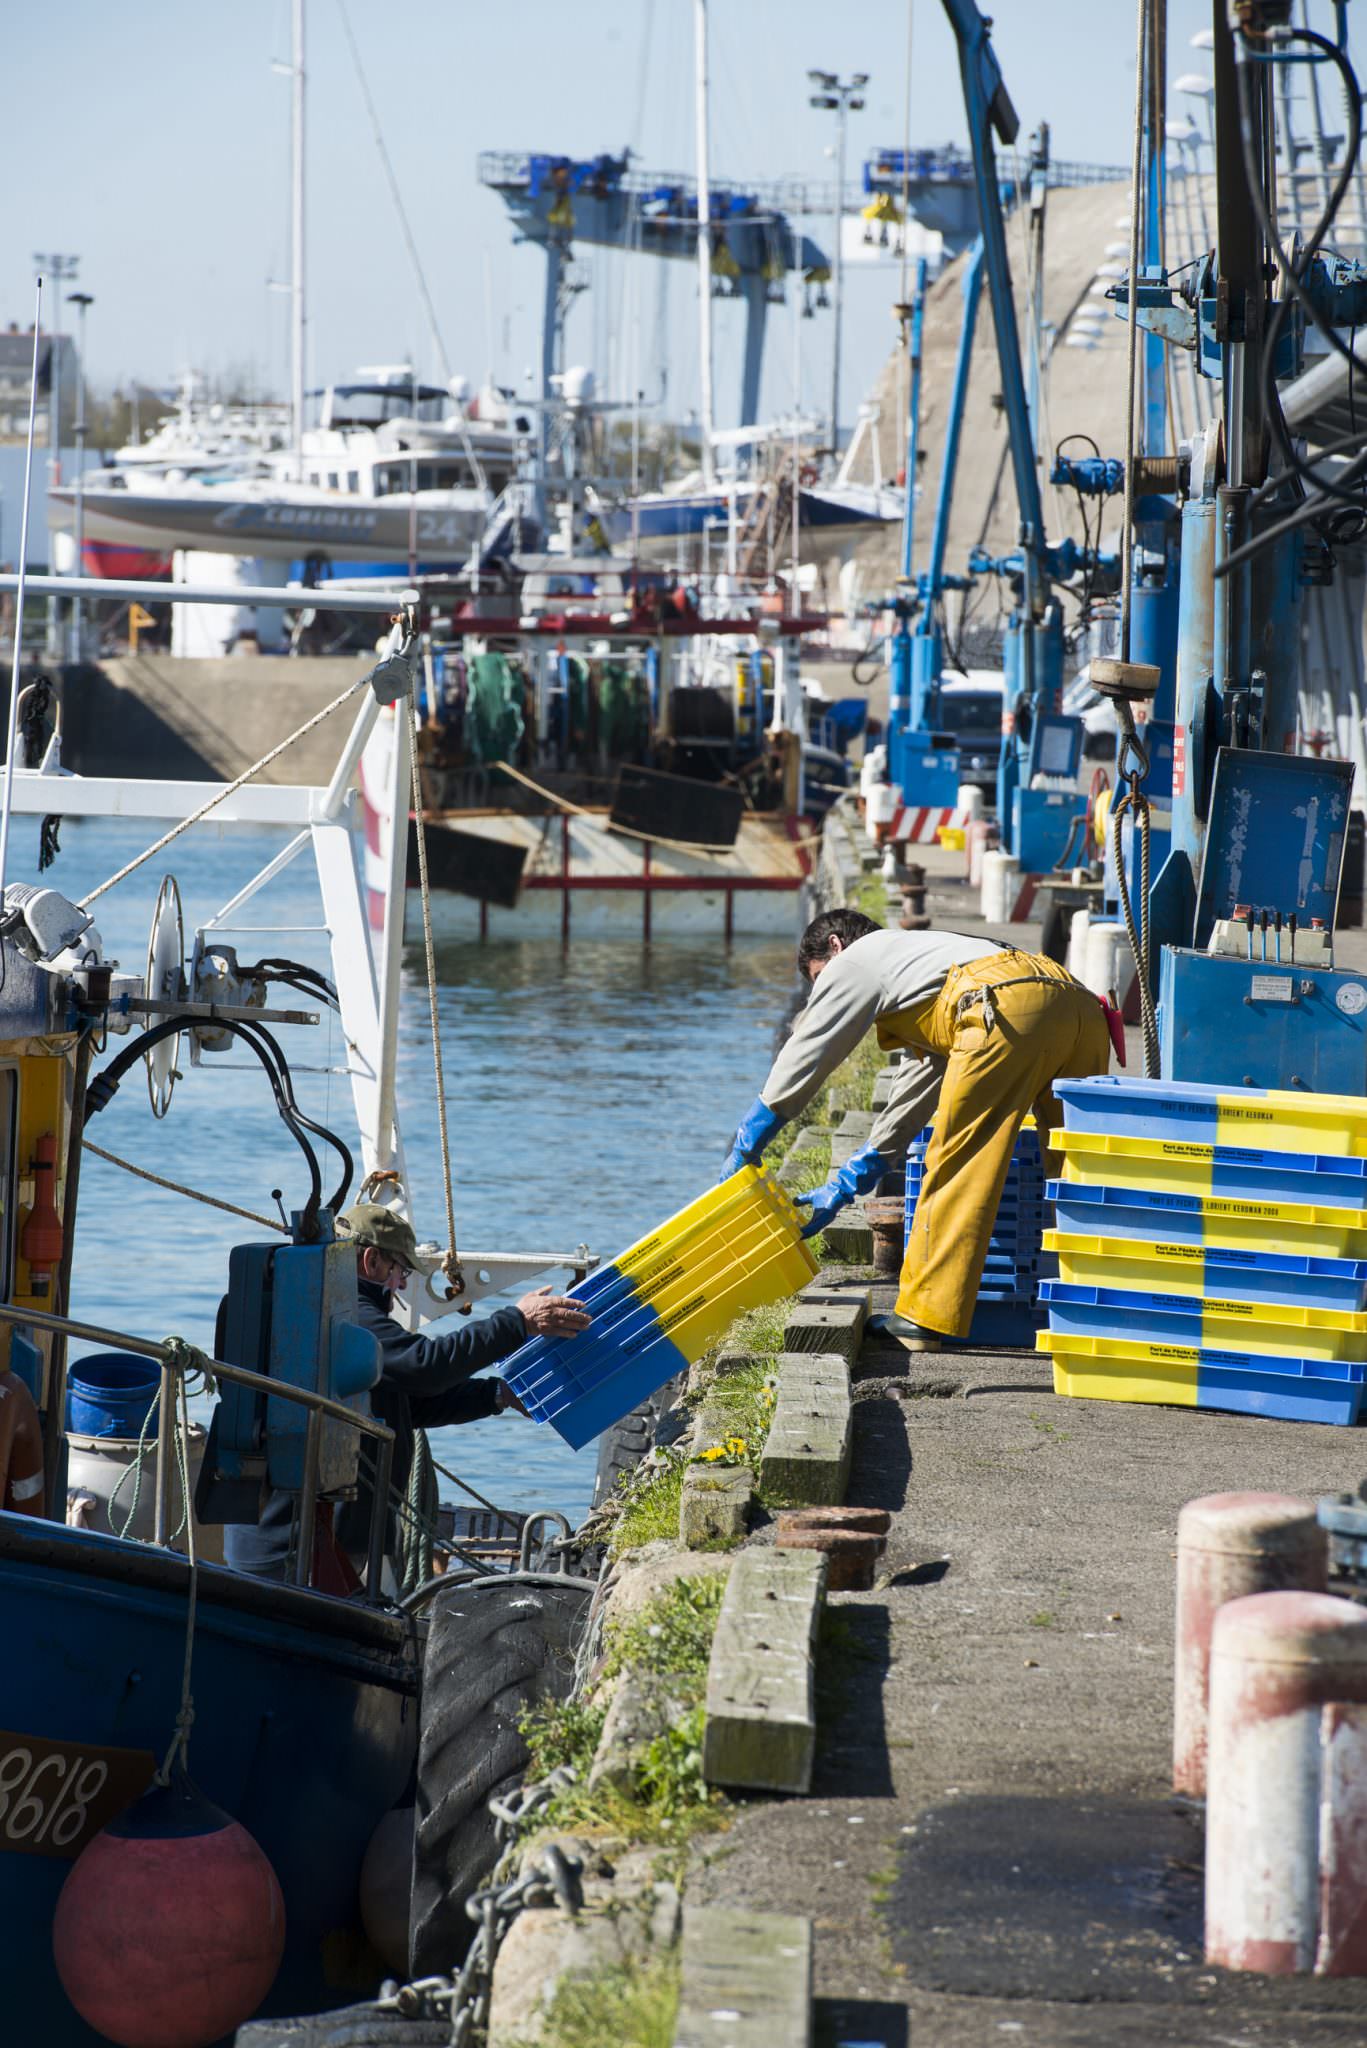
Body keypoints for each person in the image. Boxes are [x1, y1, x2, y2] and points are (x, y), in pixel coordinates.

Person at [720, 908, 1112, 1351]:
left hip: (1006, 1005)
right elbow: (918, 1085)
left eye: (819, 980)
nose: (822, 992)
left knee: (960, 1163)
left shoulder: (859, 957)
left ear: (835, 946)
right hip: (1078, 1005)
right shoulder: (926, 964)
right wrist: (853, 1178)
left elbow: (808, 1050)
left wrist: (748, 1142)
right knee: (1080, 1171)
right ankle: (1098, 1309)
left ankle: (923, 1318)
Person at [224, 1202, 589, 1581]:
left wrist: (498, 1395)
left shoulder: (324, 1312)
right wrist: (515, 1323)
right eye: (401, 1271)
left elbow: (404, 1402)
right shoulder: (347, 1316)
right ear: (372, 1262)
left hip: (290, 1540)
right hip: (298, 1546)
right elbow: (423, 1366)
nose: (400, 1286)